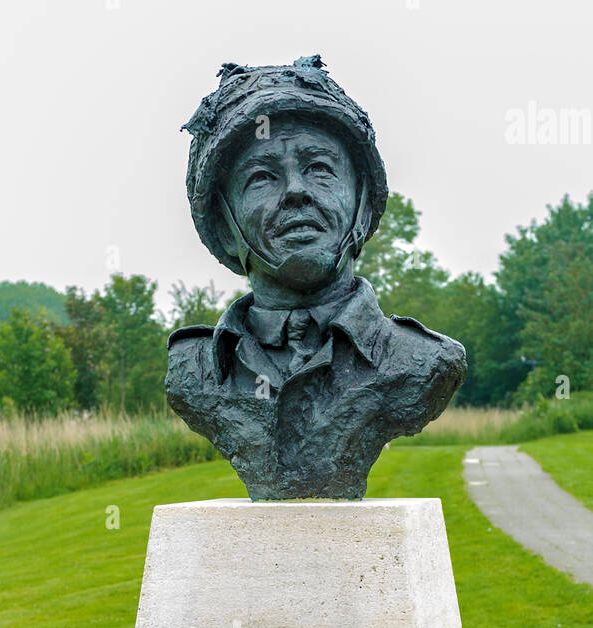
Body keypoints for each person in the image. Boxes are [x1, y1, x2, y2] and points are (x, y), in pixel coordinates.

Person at [166, 57, 466, 500]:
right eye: (262, 176)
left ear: (362, 204)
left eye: (320, 168)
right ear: (225, 226)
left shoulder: (424, 361)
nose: (296, 191)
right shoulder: (192, 369)